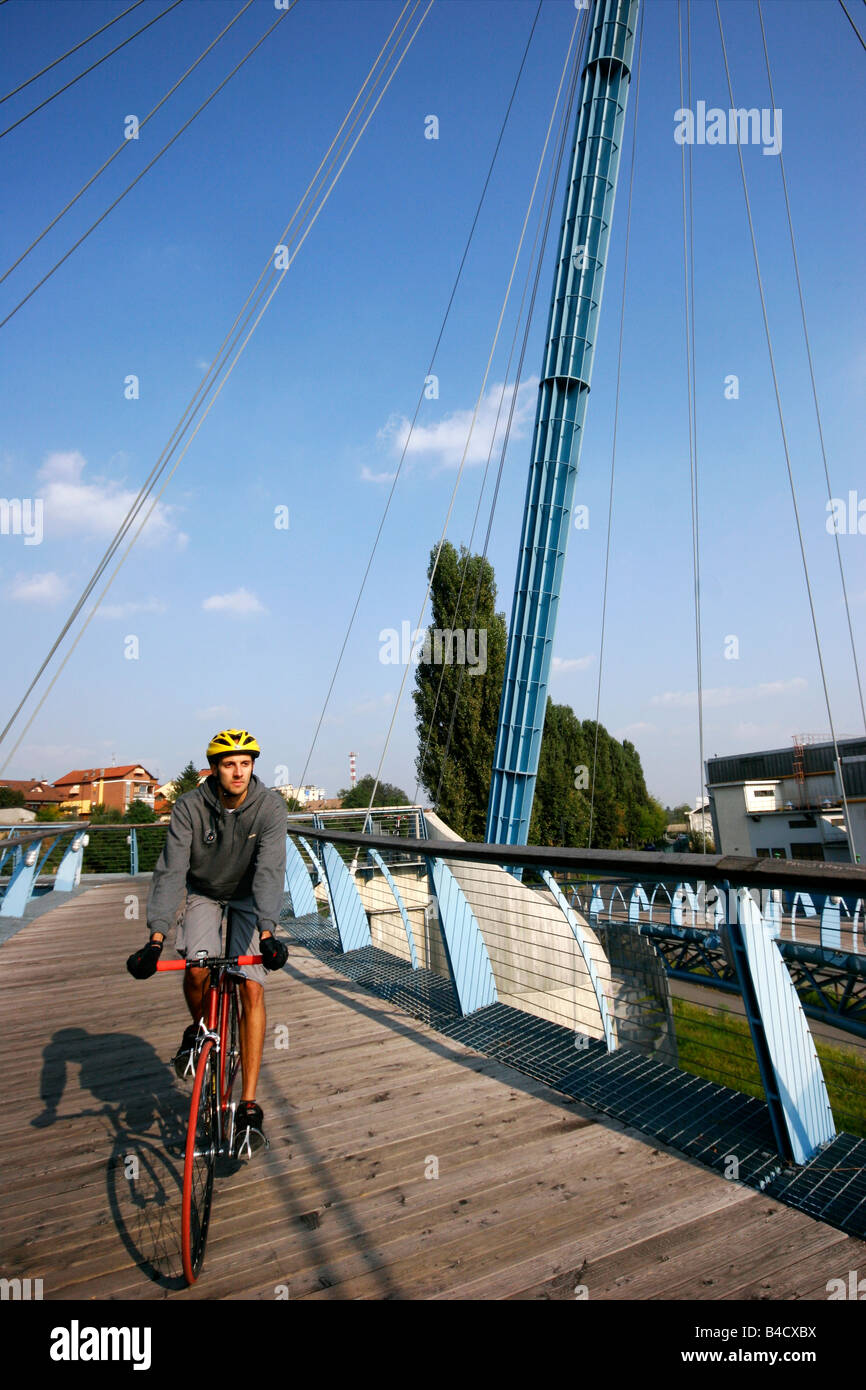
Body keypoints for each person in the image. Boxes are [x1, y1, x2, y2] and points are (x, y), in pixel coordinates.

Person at [126, 728, 288, 1156]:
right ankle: (200, 1030)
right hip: (204, 892)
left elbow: (271, 871)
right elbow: (170, 871)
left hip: (250, 897)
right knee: (198, 967)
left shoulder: (270, 807)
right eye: (229, 764)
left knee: (251, 983)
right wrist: (156, 939)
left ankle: (248, 1108)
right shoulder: (189, 807)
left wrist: (268, 932)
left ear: (253, 766)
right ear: (214, 770)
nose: (238, 772)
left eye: (246, 764)